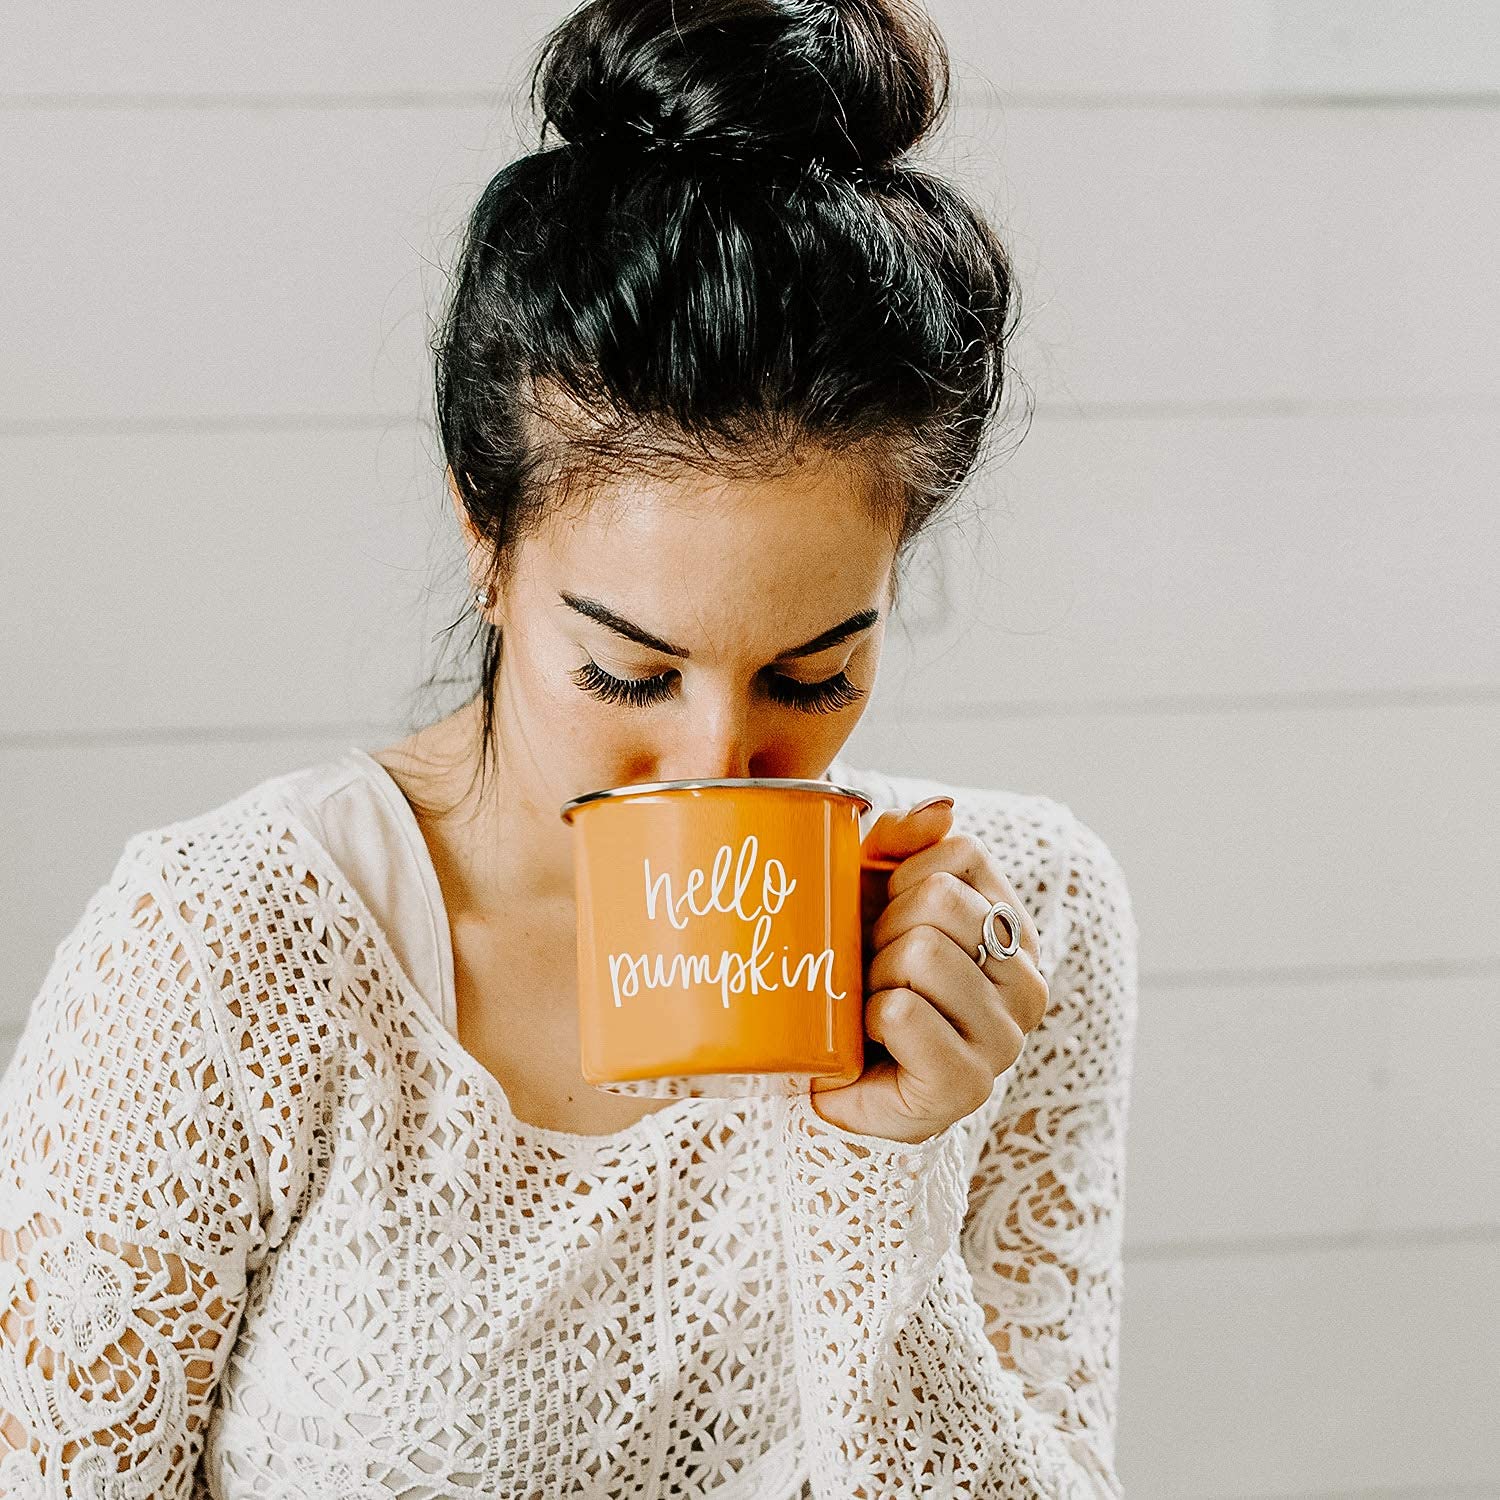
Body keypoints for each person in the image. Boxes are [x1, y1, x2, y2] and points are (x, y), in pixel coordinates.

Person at [0, 0, 1140, 1494]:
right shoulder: (228, 956)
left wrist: (885, 1167)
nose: (718, 762)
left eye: (815, 678)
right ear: (487, 539)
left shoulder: (1009, 928)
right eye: (626, 669)